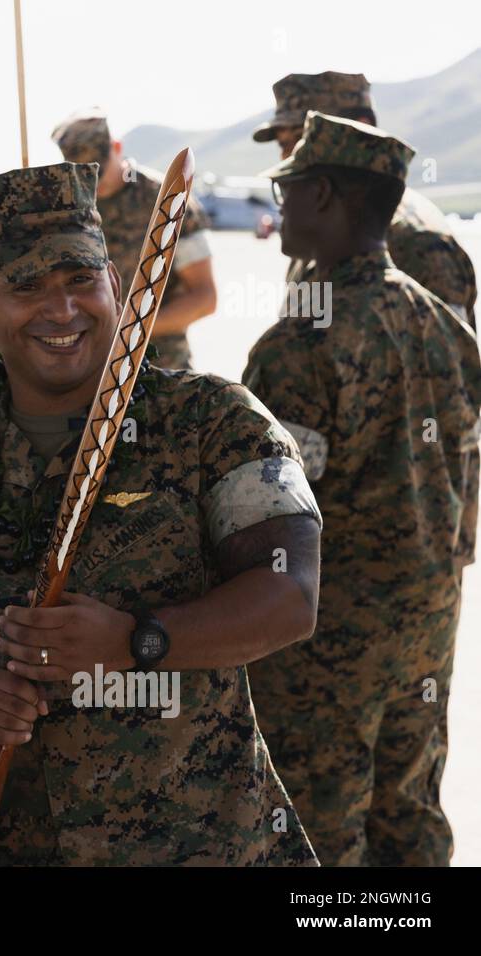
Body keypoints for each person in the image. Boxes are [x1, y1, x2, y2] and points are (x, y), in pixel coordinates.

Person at [0, 162, 323, 866]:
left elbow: (290, 592)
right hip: (9, 838)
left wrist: (136, 639)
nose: (62, 309)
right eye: (26, 287)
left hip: (201, 841)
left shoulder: (212, 423)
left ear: (117, 285)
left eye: (80, 280)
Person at [243, 113, 481, 866]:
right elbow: (465, 468)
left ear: (321, 193)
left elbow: (262, 516)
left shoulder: (300, 343)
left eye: (286, 187)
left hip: (328, 640)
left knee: (317, 826)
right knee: (409, 812)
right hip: (426, 625)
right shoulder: (442, 323)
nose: (277, 203)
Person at [253, 71, 477, 329]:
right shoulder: (316, 233)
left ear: (362, 126)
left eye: (304, 139)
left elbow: (447, 362)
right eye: (283, 145)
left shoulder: (419, 242)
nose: (288, 159)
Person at [52, 111, 216, 370]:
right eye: (82, 174)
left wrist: (127, 330)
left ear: (117, 148)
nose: (92, 182)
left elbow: (204, 297)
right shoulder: (64, 208)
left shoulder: (167, 201)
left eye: (99, 170)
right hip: (85, 370)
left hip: (159, 371)